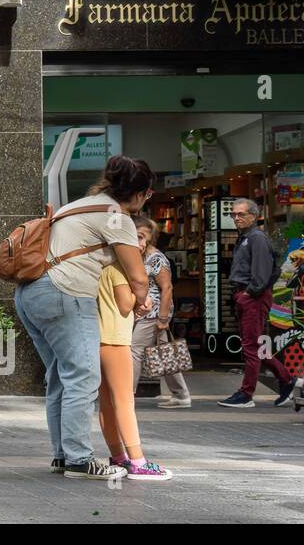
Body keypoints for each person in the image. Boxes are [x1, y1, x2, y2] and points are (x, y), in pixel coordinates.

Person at [14, 154, 152, 481]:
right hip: (66, 292)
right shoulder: (117, 217)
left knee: (61, 376)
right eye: (147, 195)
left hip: (29, 292)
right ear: (138, 193)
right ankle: (79, 458)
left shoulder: (77, 205)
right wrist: (142, 302)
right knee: (84, 376)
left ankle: (63, 455)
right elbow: (139, 277)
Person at [96, 263, 173, 479]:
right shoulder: (117, 268)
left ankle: (118, 457)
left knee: (106, 403)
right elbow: (123, 305)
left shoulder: (96, 264)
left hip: (96, 336)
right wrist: (141, 300)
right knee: (124, 400)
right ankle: (138, 461)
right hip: (115, 339)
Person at [219, 198, 296, 408]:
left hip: (252, 296)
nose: (236, 218)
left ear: (254, 216)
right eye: (233, 214)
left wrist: (249, 294)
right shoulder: (246, 237)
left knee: (251, 346)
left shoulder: (256, 238)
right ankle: (286, 379)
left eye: (241, 214)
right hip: (248, 296)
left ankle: (246, 394)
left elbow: (261, 273)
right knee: (256, 345)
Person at [129, 216, 191, 409]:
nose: (137, 239)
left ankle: (127, 397)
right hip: (146, 312)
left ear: (150, 238)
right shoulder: (138, 255)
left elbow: (167, 288)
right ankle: (181, 395)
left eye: (141, 236)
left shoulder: (156, 258)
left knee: (135, 351)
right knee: (165, 352)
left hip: (154, 312)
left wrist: (163, 318)